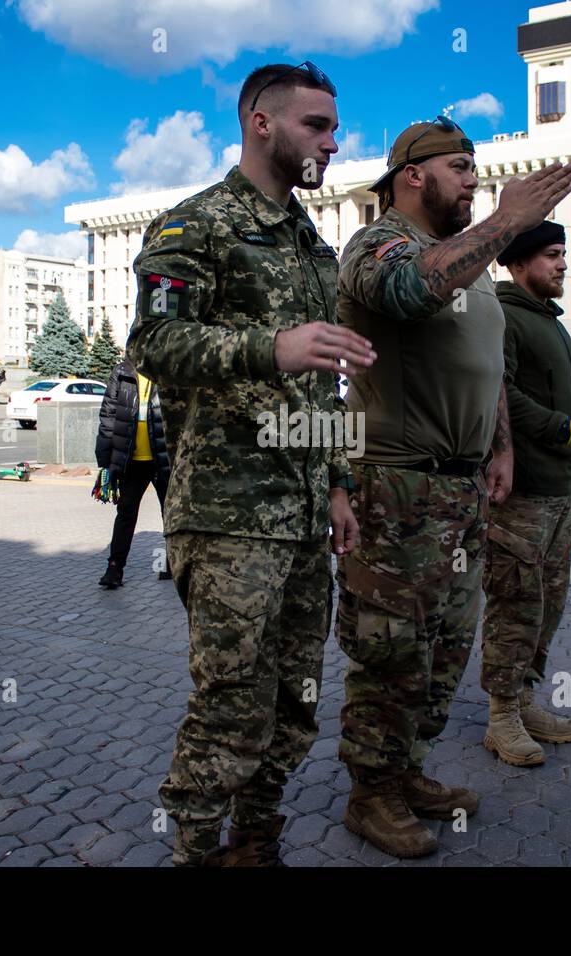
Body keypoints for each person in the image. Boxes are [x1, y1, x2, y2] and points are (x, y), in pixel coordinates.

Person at [126, 61, 376, 866]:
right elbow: (154, 346)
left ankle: (256, 843)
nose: (332, 143)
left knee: (294, 702)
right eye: (317, 126)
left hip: (303, 517)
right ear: (261, 123)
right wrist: (270, 347)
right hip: (230, 515)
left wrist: (337, 483)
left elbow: (327, 383)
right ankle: (195, 851)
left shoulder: (311, 243)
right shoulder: (191, 227)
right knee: (230, 705)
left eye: (336, 128)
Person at [333, 118, 571, 858]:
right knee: (392, 651)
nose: (475, 181)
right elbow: (411, 292)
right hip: (396, 490)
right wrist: (508, 221)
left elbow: (487, 366)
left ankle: (407, 773)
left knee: (444, 651)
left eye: (477, 171)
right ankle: (370, 795)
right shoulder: (378, 247)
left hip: (462, 491)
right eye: (462, 168)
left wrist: (499, 447)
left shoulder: (470, 265)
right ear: (413, 175)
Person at [479, 222, 571, 768]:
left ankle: (526, 699)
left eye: (565, 255)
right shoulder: (503, 314)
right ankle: (501, 716)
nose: (563, 265)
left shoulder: (550, 322)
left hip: (559, 495)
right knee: (516, 604)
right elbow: (499, 392)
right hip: (522, 497)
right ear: (519, 262)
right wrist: (567, 431)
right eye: (553, 256)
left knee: (549, 605)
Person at [95, 359, 172, 588]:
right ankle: (114, 569)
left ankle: (170, 565)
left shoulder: (166, 367)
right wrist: (105, 461)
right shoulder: (122, 372)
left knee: (170, 514)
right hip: (132, 459)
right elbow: (108, 416)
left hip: (163, 459)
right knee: (126, 514)